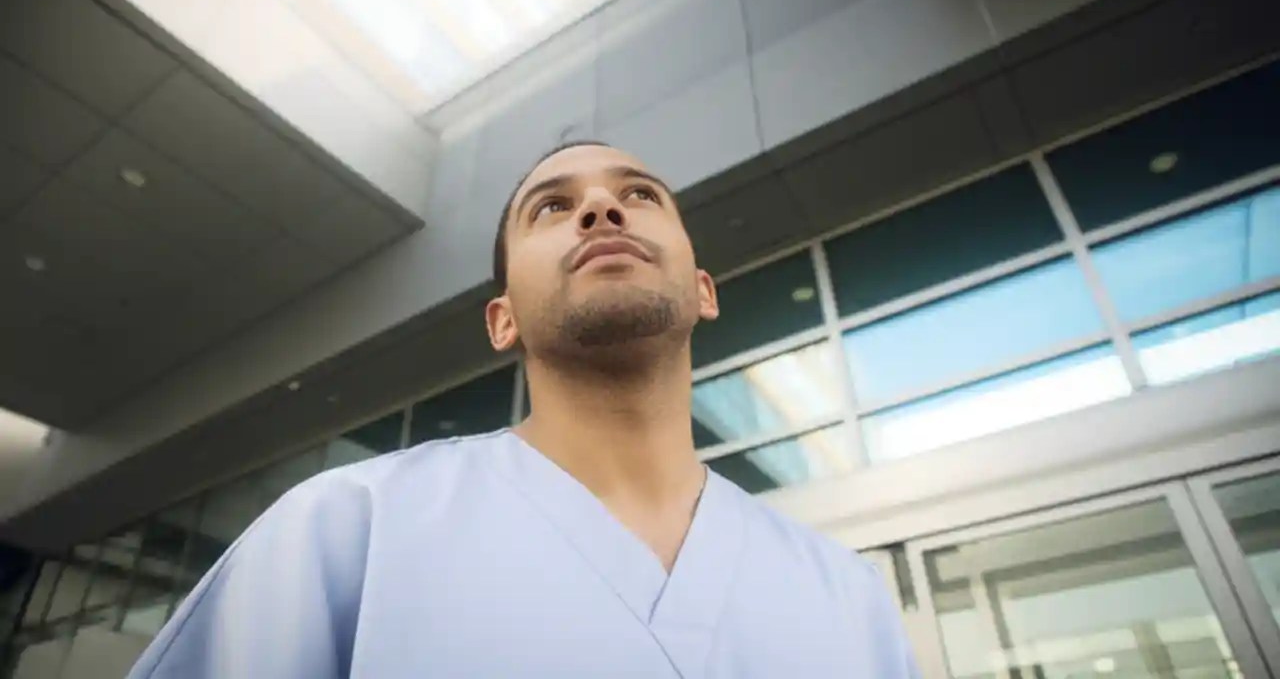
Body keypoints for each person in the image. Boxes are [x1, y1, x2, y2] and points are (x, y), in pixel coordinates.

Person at [128, 142, 920, 678]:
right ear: (502, 319)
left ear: (703, 291)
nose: (603, 211)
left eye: (638, 196)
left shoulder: (846, 594)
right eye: (551, 207)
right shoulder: (343, 532)